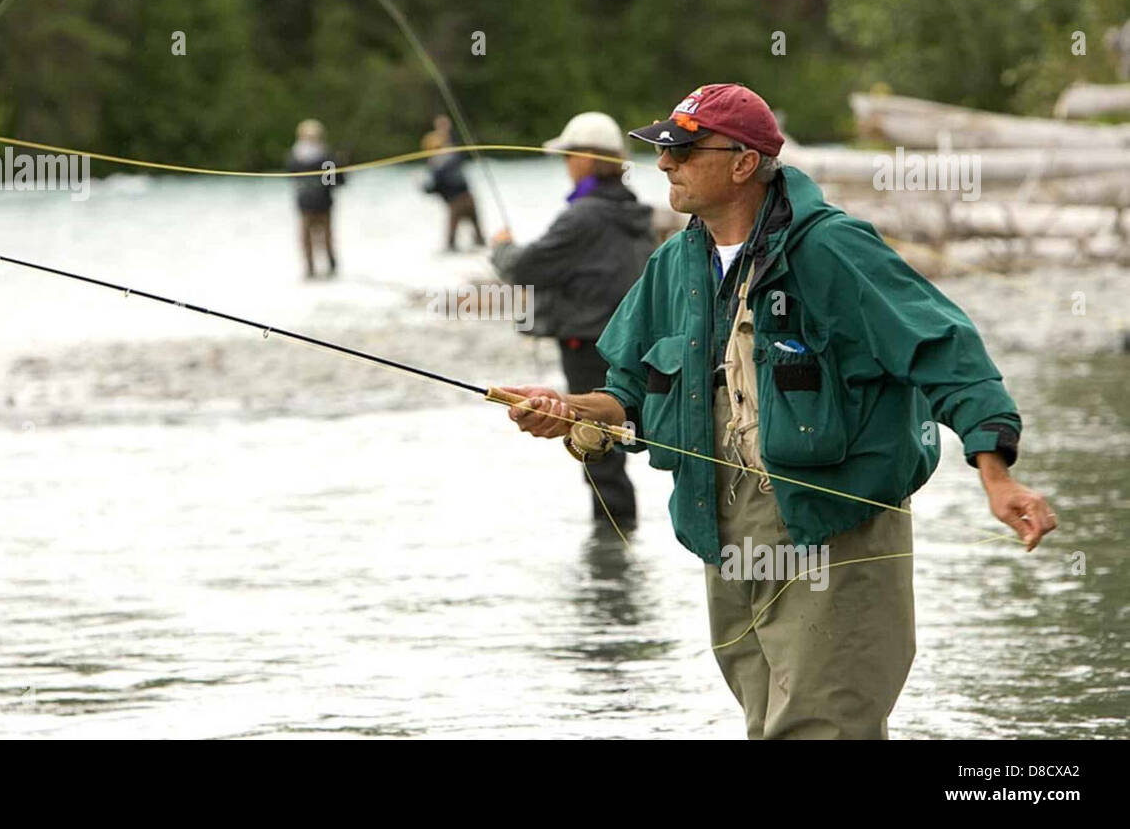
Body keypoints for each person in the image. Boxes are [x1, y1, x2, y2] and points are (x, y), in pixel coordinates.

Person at [500, 83, 1057, 738]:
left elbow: (945, 352)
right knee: (768, 725)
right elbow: (623, 398)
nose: (663, 164)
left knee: (824, 727)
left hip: (833, 529)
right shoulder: (674, 266)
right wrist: (566, 412)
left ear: (742, 163)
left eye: (682, 150)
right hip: (723, 536)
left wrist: (996, 474)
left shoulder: (836, 250)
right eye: (662, 149)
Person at [491, 111, 655, 527]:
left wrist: (502, 249)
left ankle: (609, 547)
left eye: (568, 157)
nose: (566, 166)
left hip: (586, 342)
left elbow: (526, 268)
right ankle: (618, 550)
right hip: (627, 343)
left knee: (593, 445)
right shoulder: (631, 210)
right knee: (614, 442)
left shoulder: (583, 215)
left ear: (585, 159)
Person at [287, 119, 343, 278]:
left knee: (326, 239)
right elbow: (293, 179)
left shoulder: (326, 156)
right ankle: (310, 270)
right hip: (305, 205)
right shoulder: (296, 157)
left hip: (323, 204)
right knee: (307, 240)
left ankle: (331, 268)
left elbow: (333, 182)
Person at [422, 120, 483, 250]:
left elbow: (434, 189)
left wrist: (421, 186)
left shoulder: (437, 165)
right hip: (469, 199)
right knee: (479, 238)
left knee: (450, 244)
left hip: (456, 204)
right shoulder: (453, 156)